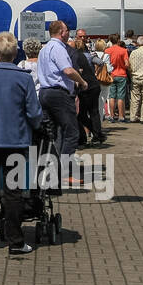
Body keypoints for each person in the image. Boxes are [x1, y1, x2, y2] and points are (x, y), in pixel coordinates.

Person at [0, 31, 42, 255]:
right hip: (16, 141)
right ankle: (15, 240)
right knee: (13, 192)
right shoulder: (24, 78)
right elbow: (34, 113)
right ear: (15, 54)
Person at [36, 21, 88, 181]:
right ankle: (65, 172)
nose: (68, 33)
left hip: (44, 92)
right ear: (60, 32)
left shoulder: (44, 49)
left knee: (50, 133)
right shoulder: (58, 48)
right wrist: (82, 81)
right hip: (58, 94)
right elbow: (67, 70)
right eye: (67, 30)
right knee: (71, 131)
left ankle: (46, 170)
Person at [71, 31, 104, 147]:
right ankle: (97, 135)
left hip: (85, 86)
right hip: (94, 84)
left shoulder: (74, 57)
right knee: (94, 112)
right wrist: (96, 73)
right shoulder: (89, 56)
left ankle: (87, 136)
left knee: (81, 114)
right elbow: (101, 62)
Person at [106, 33, 130, 122]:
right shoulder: (123, 51)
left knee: (112, 96)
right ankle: (121, 116)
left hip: (111, 75)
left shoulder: (107, 51)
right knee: (121, 96)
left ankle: (112, 115)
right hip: (121, 74)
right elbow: (127, 64)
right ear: (118, 40)